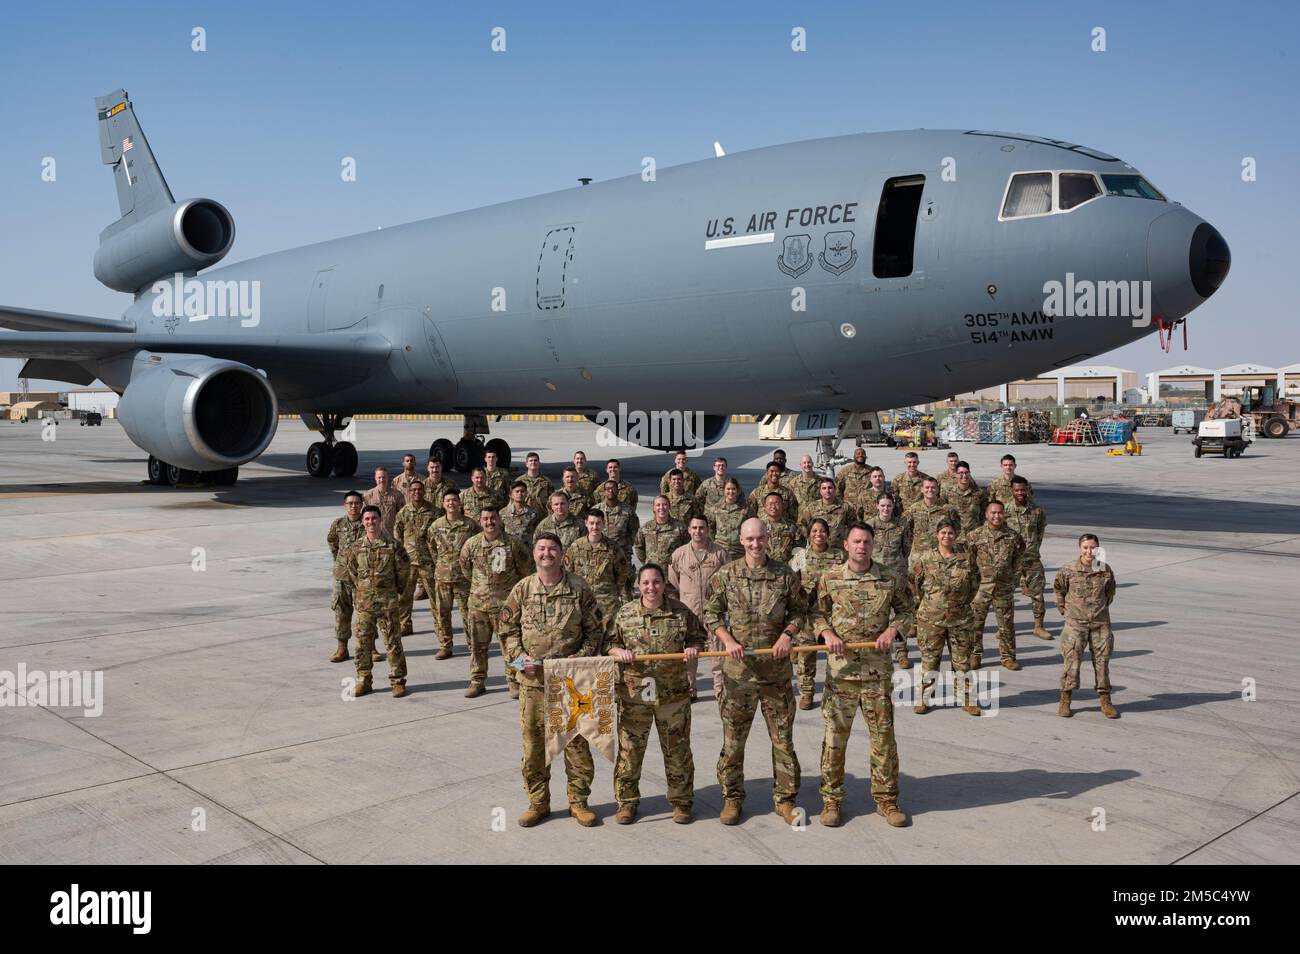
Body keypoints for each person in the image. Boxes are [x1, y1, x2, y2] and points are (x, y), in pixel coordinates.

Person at [704, 517, 808, 826]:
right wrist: (727, 640)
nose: (755, 544)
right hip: (739, 675)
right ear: (741, 539)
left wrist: (787, 635)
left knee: (783, 742)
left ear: (767, 539)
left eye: (760, 538)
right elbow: (711, 613)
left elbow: (800, 610)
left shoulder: (785, 575)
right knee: (733, 742)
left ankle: (786, 800)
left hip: (775, 675)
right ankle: (732, 798)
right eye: (749, 539)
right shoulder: (727, 575)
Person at [500, 532, 605, 827]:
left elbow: (595, 630)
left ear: (562, 555)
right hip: (533, 685)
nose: (547, 554)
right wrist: (521, 661)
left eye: (553, 549)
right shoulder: (522, 589)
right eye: (542, 549)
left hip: (570, 683)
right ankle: (538, 802)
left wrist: (580, 657)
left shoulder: (579, 588)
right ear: (534, 554)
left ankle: (579, 802)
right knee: (534, 747)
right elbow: (506, 630)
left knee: (576, 744)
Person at [813, 523, 913, 828]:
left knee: (883, 740)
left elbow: (908, 611)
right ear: (845, 545)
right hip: (841, 673)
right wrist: (826, 632)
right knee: (834, 740)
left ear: (873, 545)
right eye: (856, 541)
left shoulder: (889, 578)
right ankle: (831, 801)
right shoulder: (829, 579)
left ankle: (886, 800)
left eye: (867, 541)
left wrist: (894, 630)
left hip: (876, 674)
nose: (862, 546)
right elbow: (814, 613)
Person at [607, 563, 706, 825]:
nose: (651, 587)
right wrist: (618, 652)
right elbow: (610, 643)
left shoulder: (680, 612)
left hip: (672, 696)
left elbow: (698, 637)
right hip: (635, 696)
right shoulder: (626, 613)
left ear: (664, 584)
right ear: (638, 585)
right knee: (630, 751)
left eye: (656, 582)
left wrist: (693, 650)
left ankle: (682, 802)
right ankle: (627, 803)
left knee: (678, 751)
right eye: (646, 583)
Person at [458, 505, 532, 698]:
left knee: (511, 646)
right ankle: (477, 681)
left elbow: (525, 570)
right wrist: (481, 588)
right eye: (485, 519)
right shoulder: (472, 544)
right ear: (480, 522)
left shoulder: (513, 544)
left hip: (506, 607)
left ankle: (514, 681)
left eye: (492, 518)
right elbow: (465, 569)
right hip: (478, 606)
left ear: (499, 520)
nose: (489, 522)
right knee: (477, 646)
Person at [912, 521, 981, 716]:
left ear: (956, 535)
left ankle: (967, 700)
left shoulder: (966, 559)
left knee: (961, 662)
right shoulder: (925, 558)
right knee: (929, 661)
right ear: (937, 534)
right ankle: (924, 699)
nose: (947, 536)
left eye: (951, 533)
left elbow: (975, 583)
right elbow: (915, 585)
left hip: (960, 620)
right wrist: (926, 605)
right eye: (943, 532)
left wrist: (960, 603)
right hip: (931, 620)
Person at [342, 505, 412, 697]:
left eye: (374, 518)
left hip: (387, 602)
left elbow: (404, 572)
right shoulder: (356, 548)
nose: (370, 522)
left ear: (380, 520)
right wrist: (363, 590)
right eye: (367, 519)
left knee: (392, 642)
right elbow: (352, 572)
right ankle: (363, 680)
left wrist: (394, 591)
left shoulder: (393, 545)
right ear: (363, 522)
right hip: (365, 604)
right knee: (362, 643)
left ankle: (398, 681)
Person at [1053, 534, 1118, 719]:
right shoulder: (1069, 570)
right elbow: (1059, 589)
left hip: (1100, 624)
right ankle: (1065, 701)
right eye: (1086, 547)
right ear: (1080, 549)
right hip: (1075, 625)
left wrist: (1098, 611)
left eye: (1093, 548)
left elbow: (1110, 593)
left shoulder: (1105, 570)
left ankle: (1105, 702)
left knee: (1102, 663)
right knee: (1071, 663)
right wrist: (1065, 611)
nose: (1089, 551)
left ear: (1098, 549)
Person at [668, 516, 730, 702]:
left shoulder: (719, 553)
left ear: (707, 530)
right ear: (688, 530)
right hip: (689, 611)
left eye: (701, 528)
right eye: (694, 527)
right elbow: (673, 581)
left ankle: (720, 687)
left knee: (718, 652)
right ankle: (690, 687)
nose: (698, 531)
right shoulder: (679, 554)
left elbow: (729, 580)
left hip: (714, 611)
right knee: (689, 652)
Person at [965, 500, 1025, 670]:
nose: (997, 516)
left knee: (1006, 624)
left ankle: (1008, 657)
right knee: (975, 623)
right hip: (981, 588)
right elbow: (969, 562)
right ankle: (975, 654)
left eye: (1000, 512)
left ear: (1004, 514)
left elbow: (1018, 560)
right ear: (986, 514)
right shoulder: (974, 536)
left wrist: (1013, 582)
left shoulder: (1013, 536)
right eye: (993, 512)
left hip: (1003, 587)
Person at [793, 517, 845, 710]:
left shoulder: (839, 556)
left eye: (822, 531)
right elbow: (791, 582)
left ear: (828, 534)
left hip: (834, 613)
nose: (818, 534)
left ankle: (837, 691)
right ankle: (806, 692)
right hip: (808, 613)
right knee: (806, 654)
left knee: (838, 653)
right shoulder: (800, 556)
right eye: (814, 531)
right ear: (809, 534)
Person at [426, 489, 477, 661]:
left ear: (460, 503)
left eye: (454, 500)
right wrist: (442, 564)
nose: (451, 503)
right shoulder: (435, 526)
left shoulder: (470, 525)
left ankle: (473, 645)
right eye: (448, 500)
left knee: (468, 613)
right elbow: (431, 548)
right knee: (442, 613)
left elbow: (477, 547)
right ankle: (445, 646)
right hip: (442, 577)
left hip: (463, 578)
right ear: (443, 504)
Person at [863, 493, 912, 670]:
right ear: (877, 506)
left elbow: (906, 548)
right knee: (874, 616)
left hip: (896, 575)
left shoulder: (901, 525)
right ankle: (872, 654)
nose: (885, 509)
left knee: (898, 615)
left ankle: (901, 653)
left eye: (889, 506)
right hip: (875, 576)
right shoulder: (869, 524)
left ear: (893, 507)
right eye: (882, 506)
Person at [565, 510, 633, 633]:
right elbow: (567, 573)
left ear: (603, 523)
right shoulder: (576, 547)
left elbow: (622, 573)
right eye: (591, 523)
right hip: (582, 602)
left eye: (598, 523)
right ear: (586, 523)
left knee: (610, 637)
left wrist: (612, 593)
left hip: (608, 603)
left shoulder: (613, 548)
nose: (594, 527)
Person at [1003, 476, 1051, 640]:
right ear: (1012, 490)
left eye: (1023, 489)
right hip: (1010, 561)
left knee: (1037, 594)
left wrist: (1033, 550)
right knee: (1006, 596)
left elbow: (1040, 534)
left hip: (1031, 560)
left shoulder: (1037, 511)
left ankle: (1039, 626)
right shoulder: (1004, 510)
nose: (1020, 493)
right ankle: (1004, 627)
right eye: (1016, 490)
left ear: (1027, 489)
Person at [392, 480, 438, 636]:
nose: (417, 492)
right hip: (409, 562)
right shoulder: (403, 512)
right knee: (404, 596)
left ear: (424, 491)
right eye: (414, 490)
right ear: (409, 492)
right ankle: (405, 624)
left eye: (419, 489)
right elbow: (397, 536)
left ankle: (440, 624)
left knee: (435, 596)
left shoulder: (434, 511)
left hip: (428, 562)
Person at [327, 491, 367, 663]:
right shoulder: (338, 524)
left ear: (362, 504)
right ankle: (342, 648)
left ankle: (370, 647)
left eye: (357, 503)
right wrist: (340, 562)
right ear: (345, 505)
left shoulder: (368, 523)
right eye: (350, 503)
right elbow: (332, 542)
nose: (353, 506)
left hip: (362, 577)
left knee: (366, 613)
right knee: (341, 612)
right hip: (342, 576)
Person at [903, 477, 960, 570]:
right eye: (927, 487)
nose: (930, 490)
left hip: (941, 555)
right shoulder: (913, 509)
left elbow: (957, 529)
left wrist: (949, 544)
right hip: (919, 555)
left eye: (933, 487)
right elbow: (906, 529)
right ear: (922, 489)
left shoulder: (948, 509)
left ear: (938, 489)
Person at [634, 496, 689, 571]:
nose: (661, 507)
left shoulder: (680, 527)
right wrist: (648, 563)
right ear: (653, 508)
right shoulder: (646, 528)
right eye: (658, 505)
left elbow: (687, 548)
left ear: (669, 507)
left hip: (673, 574)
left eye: (664, 504)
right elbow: (638, 547)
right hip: (653, 574)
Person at [800, 476, 857, 547]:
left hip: (839, 550)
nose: (827, 491)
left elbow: (853, 527)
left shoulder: (845, 507)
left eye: (830, 488)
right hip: (818, 550)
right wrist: (810, 540)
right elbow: (803, 526)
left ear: (835, 490)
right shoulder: (812, 508)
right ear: (820, 491)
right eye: (824, 488)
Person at [593, 479, 640, 564]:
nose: (611, 491)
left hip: (622, 554)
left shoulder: (628, 510)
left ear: (618, 491)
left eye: (613, 488)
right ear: (604, 492)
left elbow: (635, 531)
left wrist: (626, 546)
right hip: (600, 553)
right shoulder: (596, 510)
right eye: (608, 489)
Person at [706, 476, 748, 560]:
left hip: (739, 551)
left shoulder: (745, 508)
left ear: (738, 490)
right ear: (724, 490)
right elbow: (710, 528)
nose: (731, 491)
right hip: (720, 550)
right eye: (728, 489)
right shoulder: (716, 508)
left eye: (733, 489)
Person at [946, 461, 986, 540]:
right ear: (956, 474)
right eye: (961, 473)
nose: (964, 475)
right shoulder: (948, 492)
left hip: (975, 537)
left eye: (966, 472)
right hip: (955, 537)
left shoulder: (979, 493)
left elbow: (985, 513)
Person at [758, 492, 800, 563]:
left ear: (783, 506)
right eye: (770, 504)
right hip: (764, 569)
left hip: (787, 569)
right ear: (764, 507)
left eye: (776, 503)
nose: (773, 507)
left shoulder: (792, 527)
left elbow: (799, 550)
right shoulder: (759, 526)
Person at [362, 467, 404, 536]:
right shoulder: (368, 495)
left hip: (391, 535)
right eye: (379, 477)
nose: (382, 480)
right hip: (373, 534)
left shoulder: (397, 495)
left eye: (384, 477)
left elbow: (402, 516)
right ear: (375, 479)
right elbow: (363, 516)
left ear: (388, 478)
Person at [501, 481, 542, 551]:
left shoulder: (534, 513)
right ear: (511, 495)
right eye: (517, 491)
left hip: (527, 550)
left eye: (522, 491)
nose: (520, 493)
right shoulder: (503, 513)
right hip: (510, 550)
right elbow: (500, 532)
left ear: (526, 494)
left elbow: (538, 533)